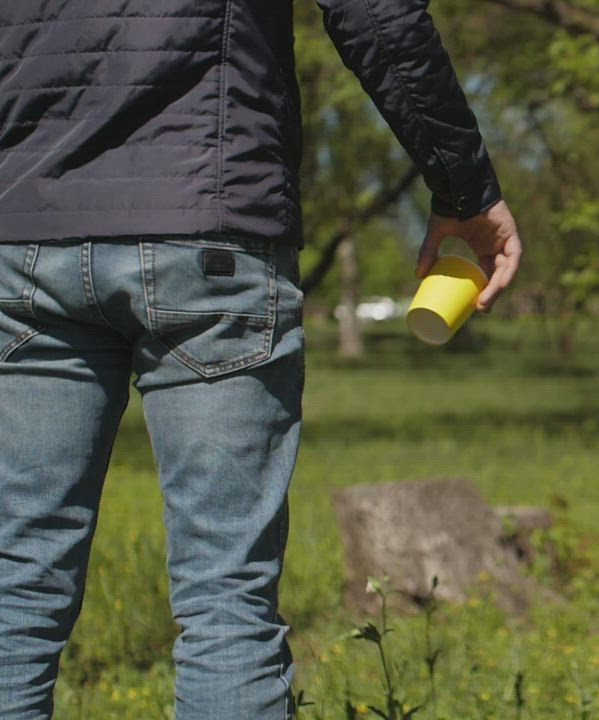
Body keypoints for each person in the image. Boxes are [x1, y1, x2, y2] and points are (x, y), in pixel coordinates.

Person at [0, 1, 522, 717]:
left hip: (26, 231)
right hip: (208, 222)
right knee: (225, 592)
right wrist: (465, 186)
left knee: (16, 580)